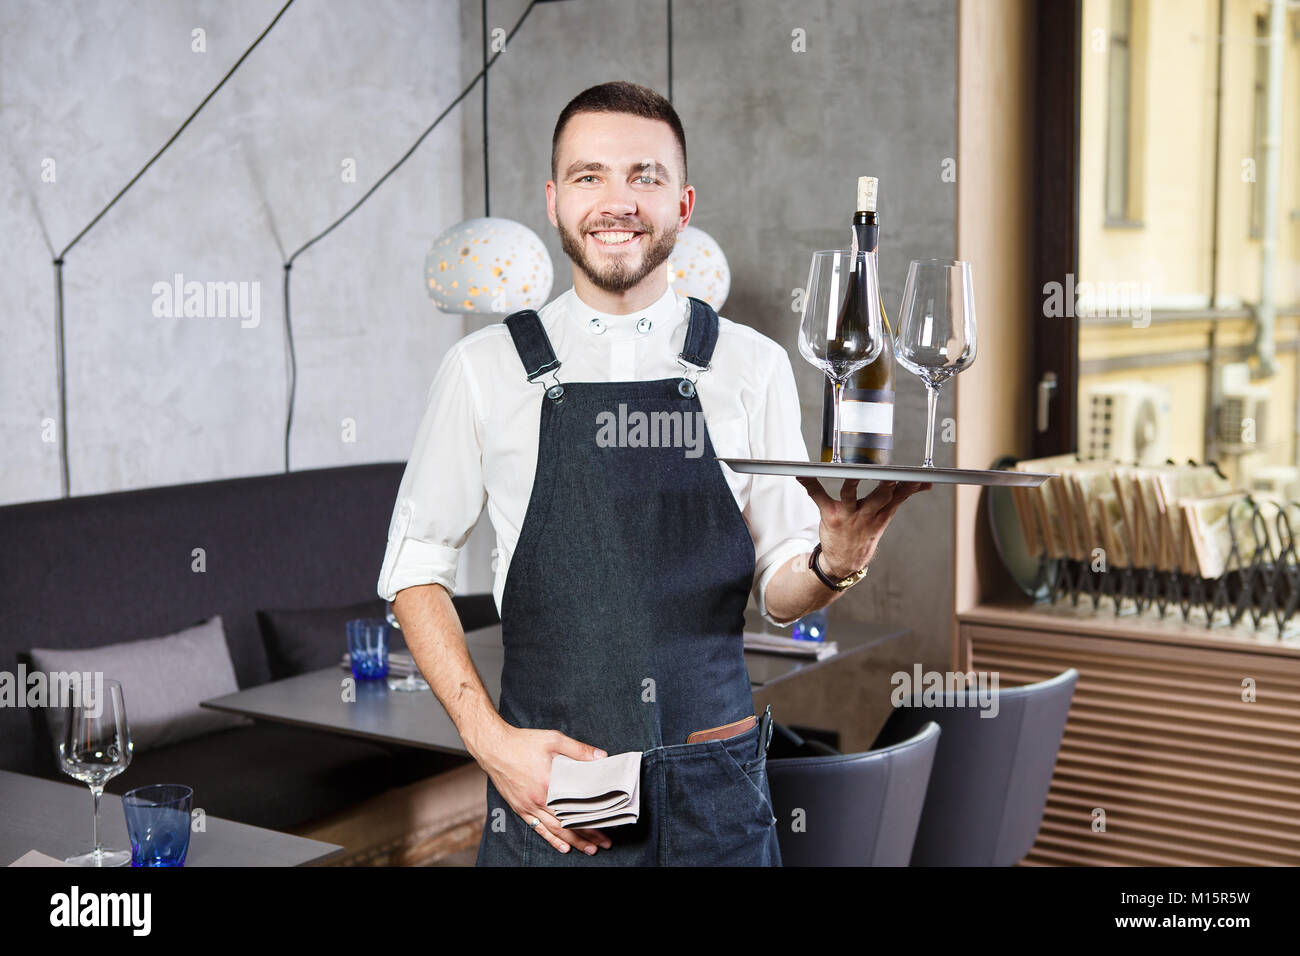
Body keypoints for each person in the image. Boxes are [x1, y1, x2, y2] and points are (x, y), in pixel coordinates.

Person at [377, 80, 931, 866]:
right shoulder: (483, 369)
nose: (618, 200)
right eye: (589, 176)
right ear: (554, 200)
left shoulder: (752, 365)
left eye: (646, 176)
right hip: (554, 797)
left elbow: (780, 587)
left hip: (716, 790)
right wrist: (490, 743)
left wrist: (833, 567)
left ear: (683, 202)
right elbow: (414, 568)